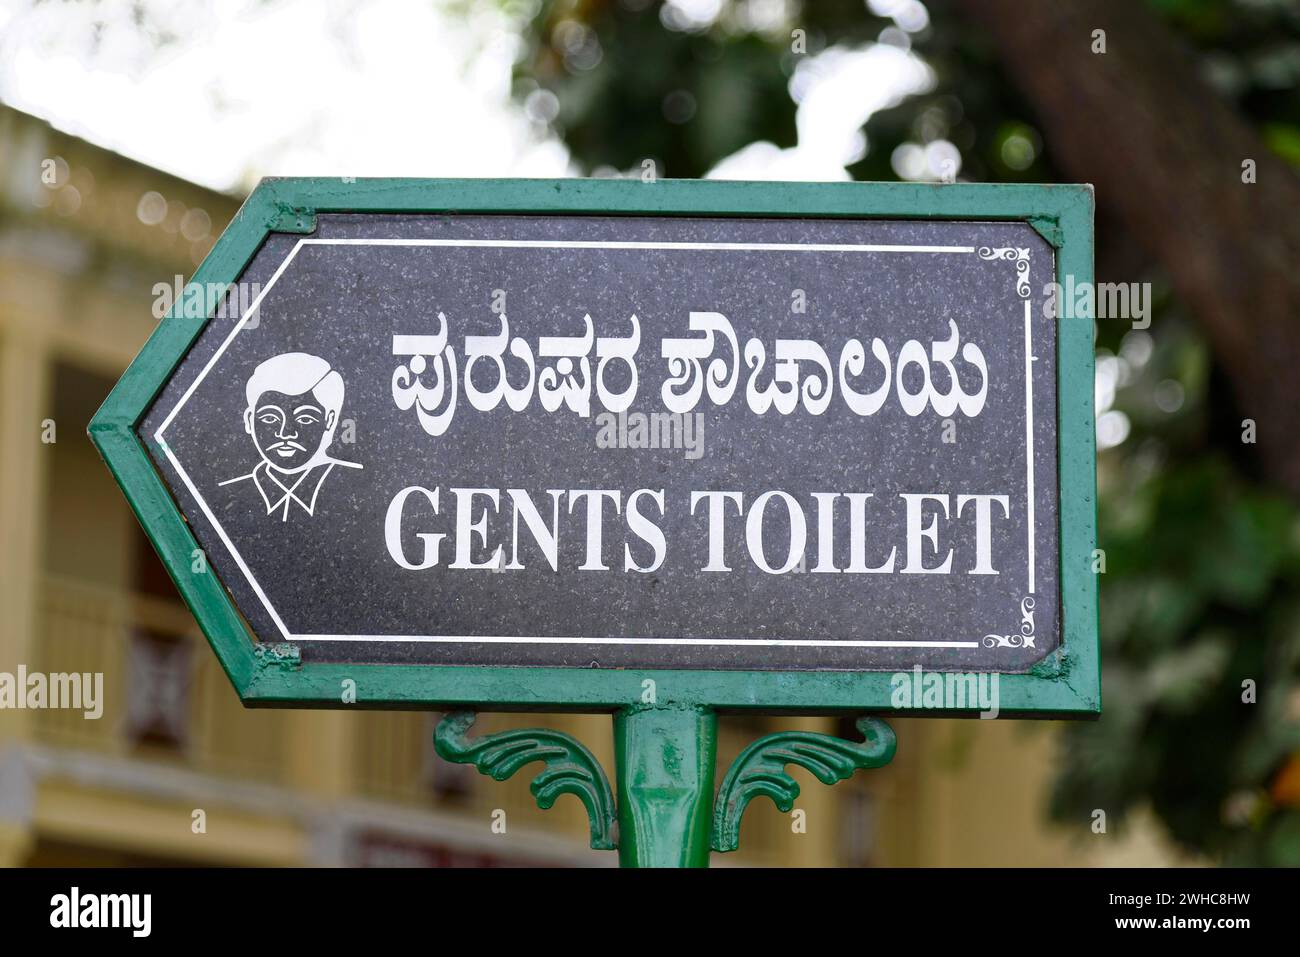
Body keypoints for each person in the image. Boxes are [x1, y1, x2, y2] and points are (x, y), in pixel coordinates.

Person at [219, 352, 361, 521]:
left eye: (305, 418)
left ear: (329, 420)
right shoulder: (224, 495)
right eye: (270, 418)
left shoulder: (359, 487)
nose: (285, 433)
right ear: (250, 420)